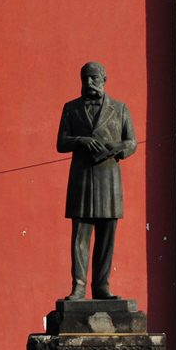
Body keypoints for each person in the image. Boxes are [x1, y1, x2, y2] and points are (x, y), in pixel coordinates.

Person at [57, 61, 137, 301]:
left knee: (106, 236)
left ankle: (102, 286)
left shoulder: (120, 108)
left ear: (104, 79)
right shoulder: (71, 108)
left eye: (93, 77)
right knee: (80, 237)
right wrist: (80, 140)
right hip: (81, 178)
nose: (89, 82)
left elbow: (132, 142)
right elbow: (61, 142)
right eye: (85, 78)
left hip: (109, 179)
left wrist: (116, 147)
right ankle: (79, 287)